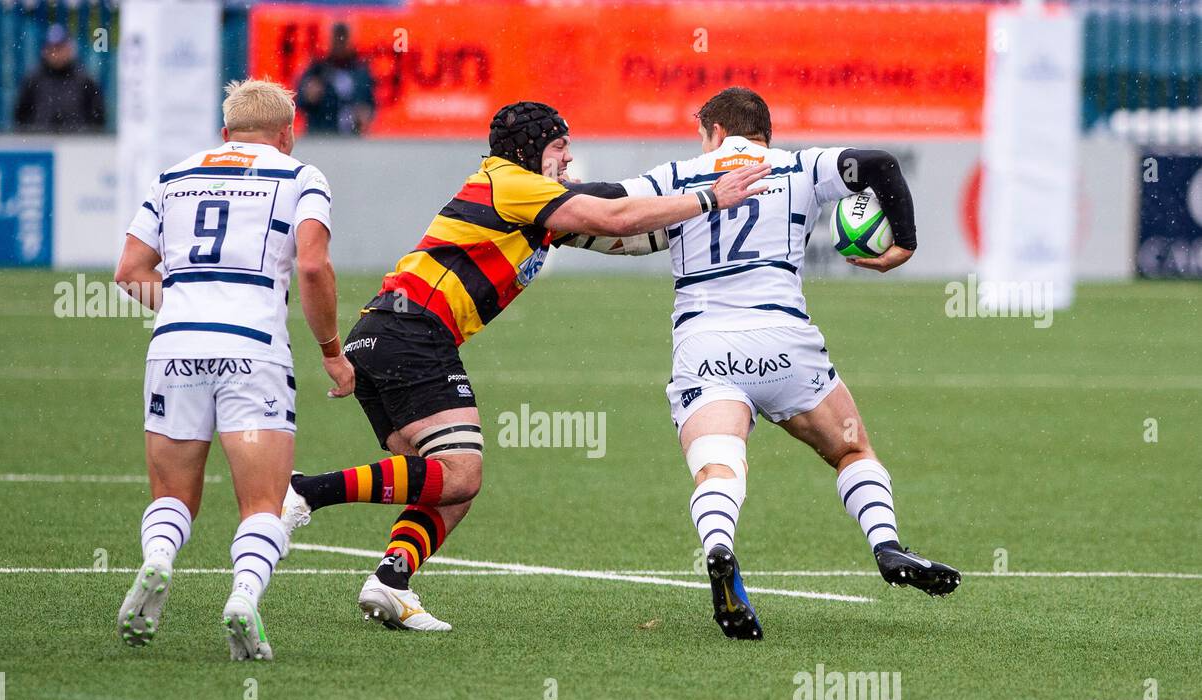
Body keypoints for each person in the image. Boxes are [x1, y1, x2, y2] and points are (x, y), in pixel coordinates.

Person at [281, 101, 770, 631]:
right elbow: (612, 214)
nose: (568, 156)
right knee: (460, 472)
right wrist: (706, 196)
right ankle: (307, 491)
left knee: (451, 483)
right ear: (529, 149)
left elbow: (622, 234)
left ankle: (391, 581)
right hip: (411, 333)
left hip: (388, 334)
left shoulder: (532, 200)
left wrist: (696, 229)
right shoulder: (511, 182)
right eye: (559, 146)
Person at [611, 86, 960, 640]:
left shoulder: (678, 176)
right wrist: (906, 244)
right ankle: (887, 544)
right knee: (850, 449)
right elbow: (879, 163)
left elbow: (610, 209)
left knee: (719, 468)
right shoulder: (798, 166)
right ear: (765, 134)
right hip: (785, 347)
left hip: (706, 348)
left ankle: (721, 548)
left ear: (716, 133)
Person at [113, 79, 354, 661]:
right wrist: (329, 349)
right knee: (262, 503)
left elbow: (130, 270)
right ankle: (244, 596)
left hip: (174, 349)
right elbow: (314, 267)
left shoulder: (174, 175)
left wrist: (192, 310)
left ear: (225, 133)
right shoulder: (299, 177)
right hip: (253, 352)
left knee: (173, 494)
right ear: (287, 135)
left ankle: (158, 561)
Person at [13, 24, 106, 132]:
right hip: (41, 142)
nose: (55, 53)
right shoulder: (33, 81)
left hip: (77, 144)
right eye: (52, 48)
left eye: (60, 48)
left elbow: (97, 119)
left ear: (70, 49)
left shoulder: (85, 81)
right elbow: (21, 117)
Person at [296, 22, 376, 135]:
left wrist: (365, 113)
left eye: (343, 38)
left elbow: (371, 103)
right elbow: (299, 101)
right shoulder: (317, 69)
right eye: (337, 38)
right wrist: (308, 96)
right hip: (321, 136)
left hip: (353, 139)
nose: (340, 43)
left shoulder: (361, 71)